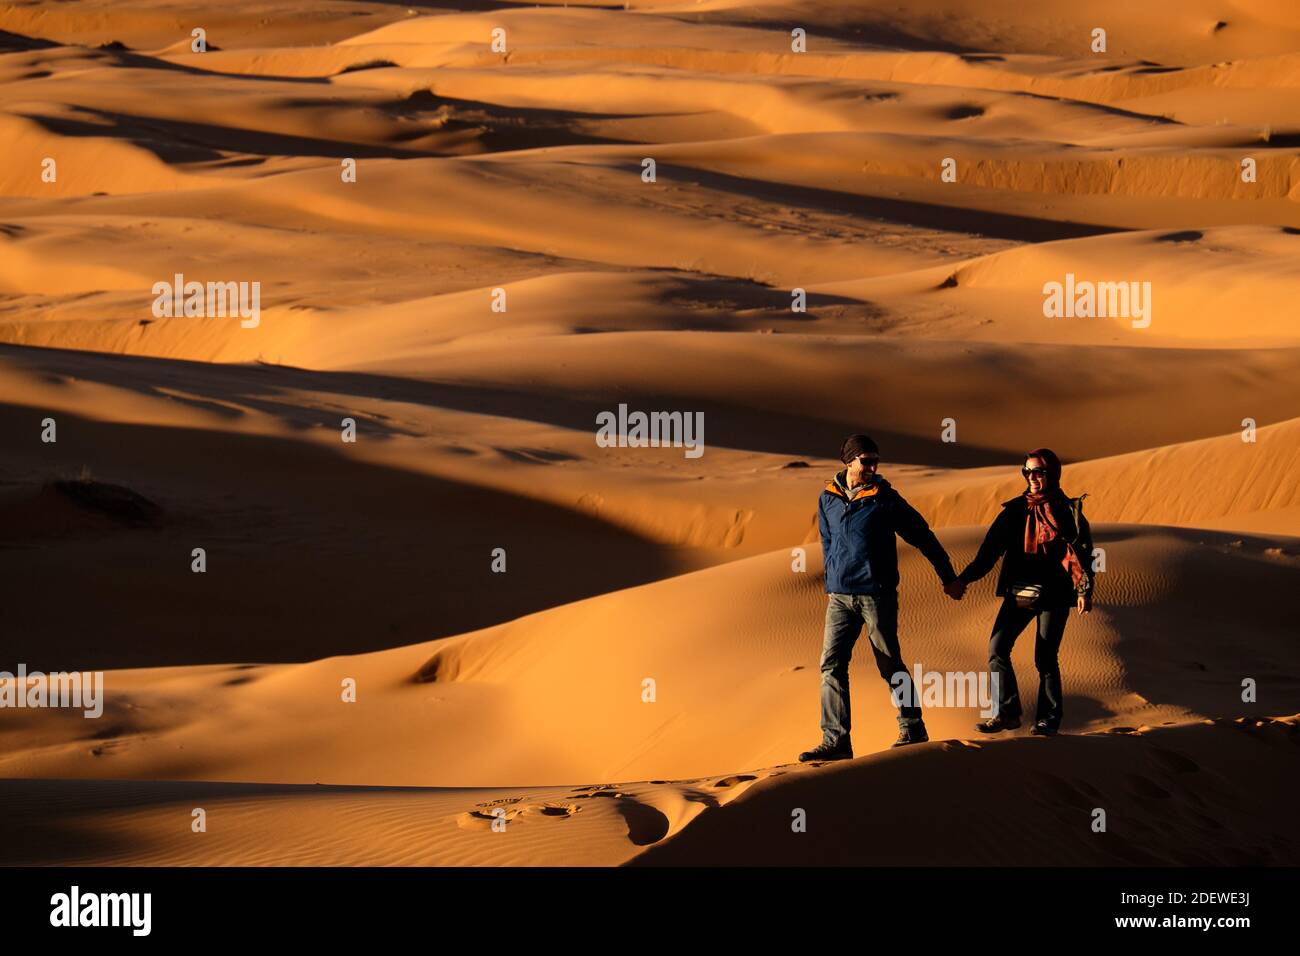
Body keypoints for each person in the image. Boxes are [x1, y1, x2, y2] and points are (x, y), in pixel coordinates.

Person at [799, 434, 965, 762]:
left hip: (877, 595)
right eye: (866, 460)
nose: (872, 466)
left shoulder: (885, 499)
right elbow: (827, 541)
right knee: (830, 666)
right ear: (848, 461)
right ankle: (835, 740)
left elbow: (923, 536)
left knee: (889, 662)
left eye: (875, 460)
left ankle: (913, 726)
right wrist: (833, 580)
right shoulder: (827, 497)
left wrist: (948, 577)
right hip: (839, 598)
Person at [956, 448, 1094, 737]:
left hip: (1055, 594)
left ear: (1052, 474)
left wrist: (1083, 589)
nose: (1032, 477)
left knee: (1044, 658)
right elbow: (988, 554)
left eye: (1038, 472)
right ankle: (1006, 712)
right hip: (1020, 592)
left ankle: (1048, 721)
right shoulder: (1014, 511)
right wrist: (963, 580)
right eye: (1027, 472)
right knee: (997, 648)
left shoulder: (1067, 511)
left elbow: (1080, 553)